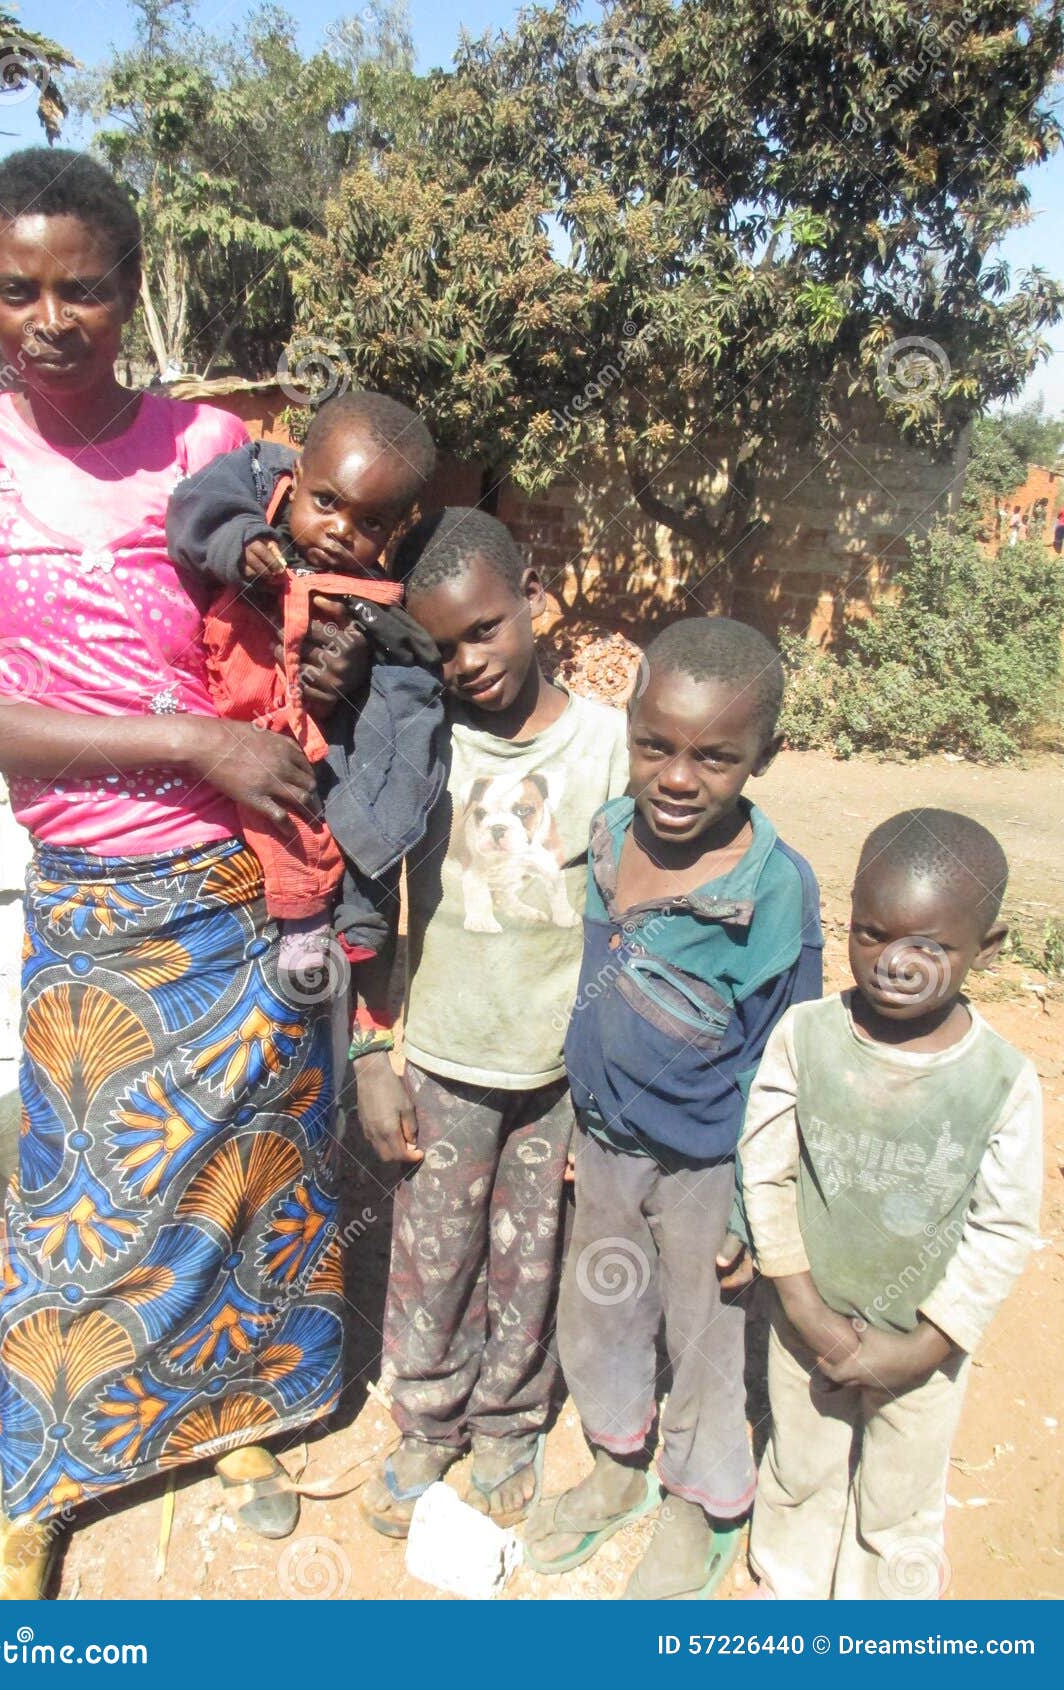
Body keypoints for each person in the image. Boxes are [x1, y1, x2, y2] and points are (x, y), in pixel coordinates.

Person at [0, 147, 366, 1599]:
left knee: (259, 1179)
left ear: (128, 292)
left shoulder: (217, 446)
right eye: (15, 288)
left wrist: (312, 670)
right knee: (80, 1202)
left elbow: (279, 644)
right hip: (93, 891)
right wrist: (182, 740)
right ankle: (49, 1478)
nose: (49, 317)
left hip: (239, 876)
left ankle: (241, 1416)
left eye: (81, 287)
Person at [524, 617, 823, 1598]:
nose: (679, 776)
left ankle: (699, 1501)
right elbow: (592, 981)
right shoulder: (613, 835)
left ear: (763, 757)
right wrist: (577, 1106)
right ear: (631, 733)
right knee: (604, 1307)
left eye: (715, 755)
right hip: (609, 1141)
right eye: (656, 744)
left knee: (704, 1337)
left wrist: (751, 1201)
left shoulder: (773, 892)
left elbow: (790, 1057)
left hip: (709, 1164)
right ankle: (617, 1465)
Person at [352, 509, 629, 1537]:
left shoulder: (605, 747)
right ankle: (426, 1417)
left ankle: (509, 1418)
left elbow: (631, 920)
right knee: (434, 1248)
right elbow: (373, 905)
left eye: (484, 630)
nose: (466, 664)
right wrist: (374, 1051)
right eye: (438, 647)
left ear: (534, 603)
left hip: (558, 1068)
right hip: (446, 1057)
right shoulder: (424, 748)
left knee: (529, 1250)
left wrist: (603, 1084)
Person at [740, 809, 1042, 1600]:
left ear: (990, 948)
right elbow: (765, 1171)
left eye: (931, 947)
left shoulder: (1003, 1081)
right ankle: (789, 1587)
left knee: (899, 1497)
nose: (893, 964)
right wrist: (801, 1305)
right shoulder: (805, 1037)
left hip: (924, 1347)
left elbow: (1003, 1229)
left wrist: (925, 1345)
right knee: (801, 1465)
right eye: (870, 934)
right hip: (807, 1321)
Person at [166, 393, 444, 987]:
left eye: (369, 524)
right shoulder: (255, 489)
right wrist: (240, 543)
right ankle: (305, 922)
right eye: (326, 502)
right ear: (295, 481)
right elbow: (193, 509)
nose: (340, 531)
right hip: (232, 720)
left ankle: (356, 921)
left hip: (316, 739)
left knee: (365, 783)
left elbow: (411, 654)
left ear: (393, 531)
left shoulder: (369, 587)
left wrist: (357, 668)